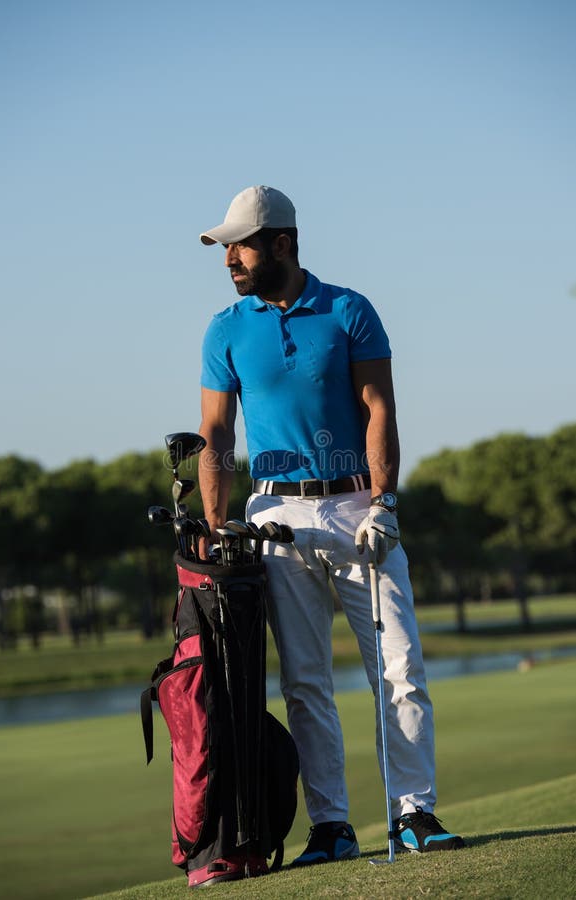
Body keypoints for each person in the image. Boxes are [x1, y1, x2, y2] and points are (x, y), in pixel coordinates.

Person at [196, 185, 464, 864]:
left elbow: (379, 409)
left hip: (353, 508)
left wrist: (384, 503)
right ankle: (331, 827)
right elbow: (215, 433)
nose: (229, 256)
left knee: (399, 667)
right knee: (306, 681)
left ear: (281, 242)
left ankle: (414, 814)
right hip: (273, 513)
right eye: (225, 245)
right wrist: (214, 520)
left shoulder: (348, 310)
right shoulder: (225, 328)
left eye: (241, 243)